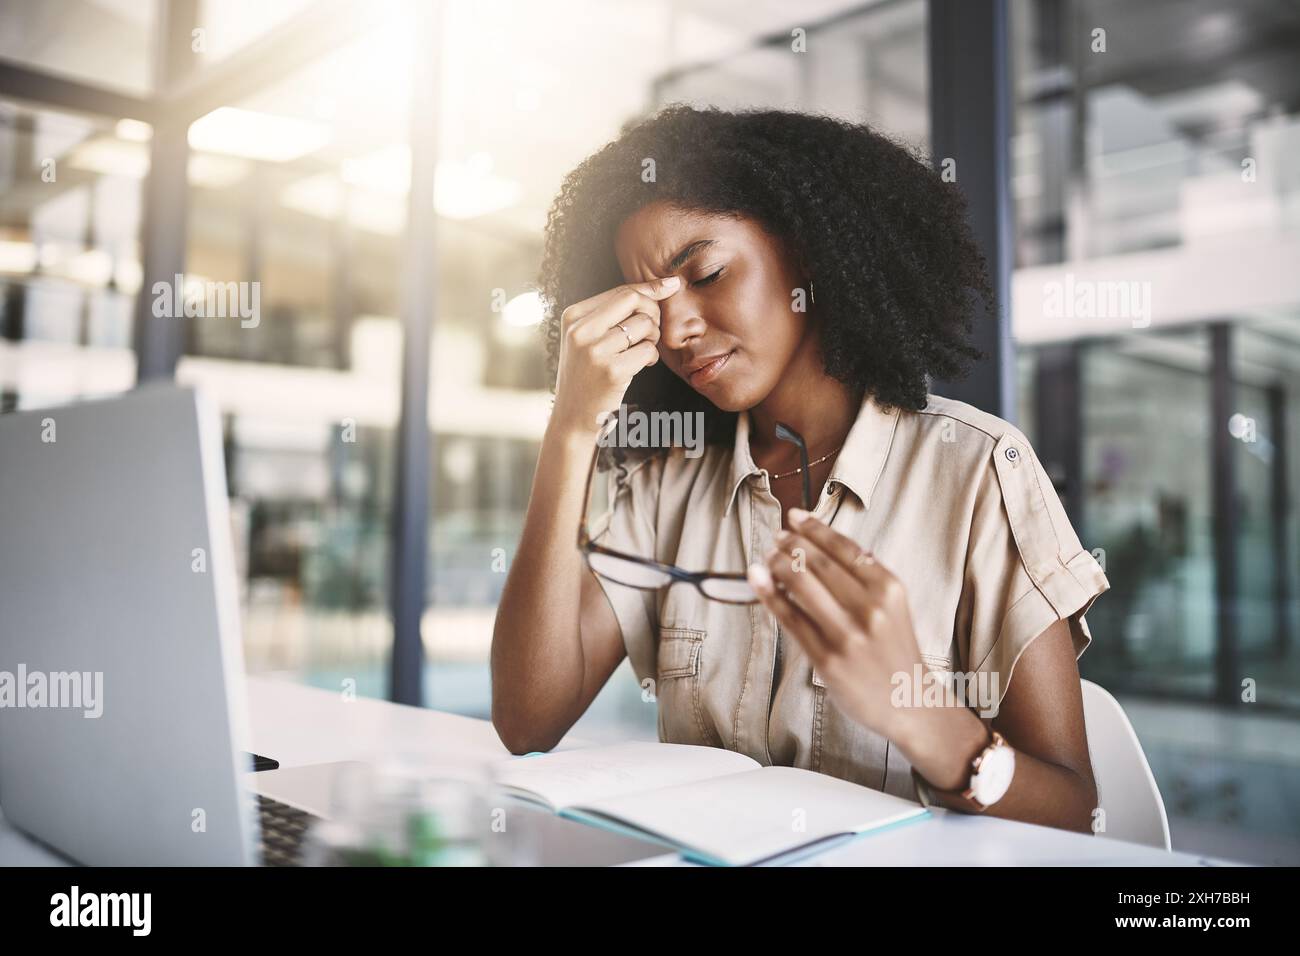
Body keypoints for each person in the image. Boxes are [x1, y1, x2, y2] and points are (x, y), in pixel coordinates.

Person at [492, 104, 1110, 833]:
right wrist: (572, 426)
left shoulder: (977, 471)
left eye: (707, 273)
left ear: (809, 257)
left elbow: (1073, 811)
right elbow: (527, 720)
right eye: (650, 304)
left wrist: (915, 711)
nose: (677, 329)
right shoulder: (670, 481)